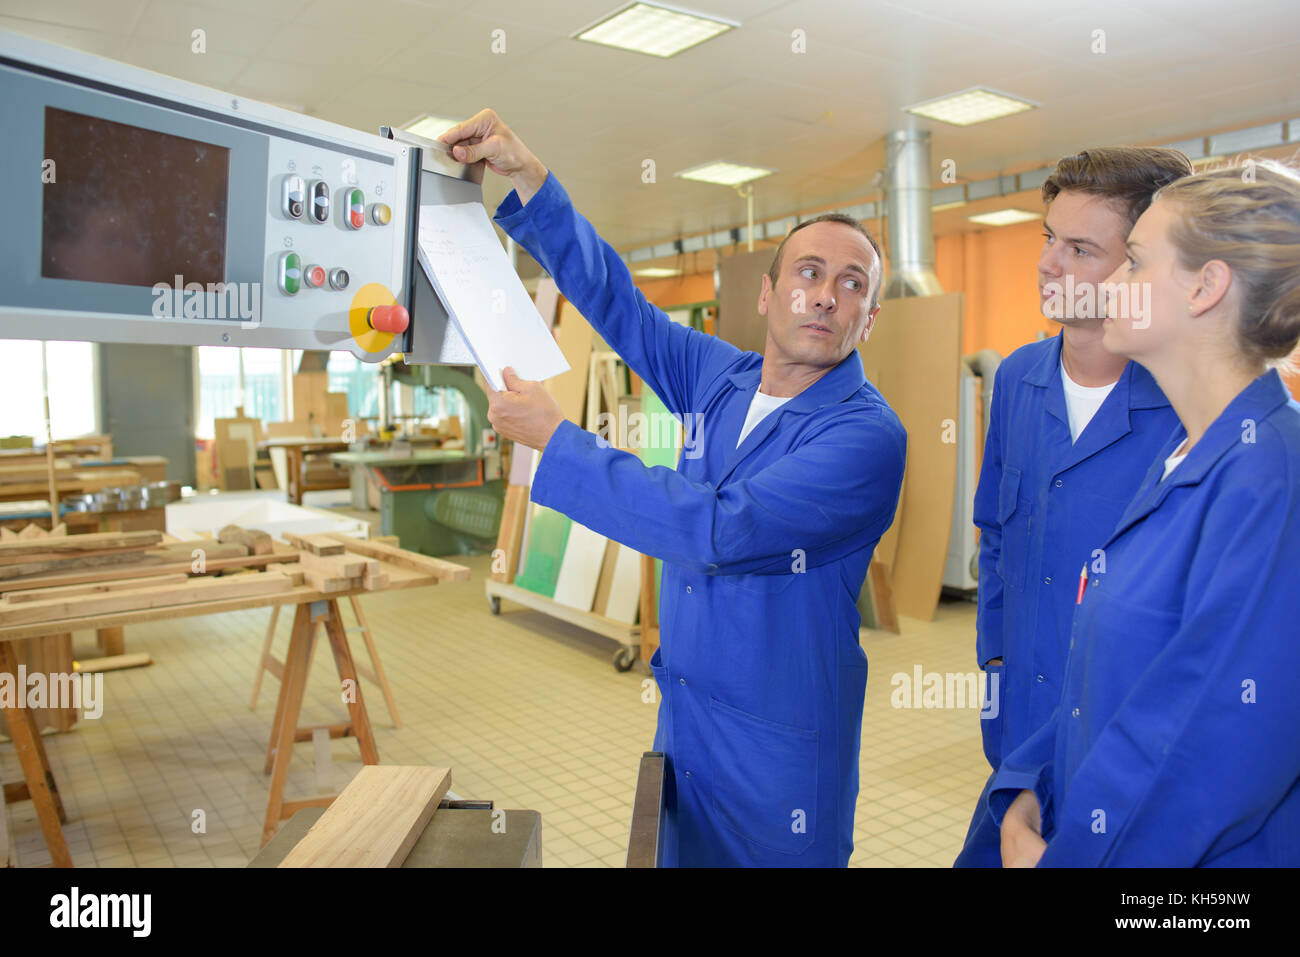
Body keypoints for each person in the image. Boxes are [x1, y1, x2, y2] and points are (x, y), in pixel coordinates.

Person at [440, 110, 906, 866]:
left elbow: (720, 530)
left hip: (779, 752)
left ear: (870, 317)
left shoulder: (864, 436)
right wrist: (530, 178)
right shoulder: (717, 377)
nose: (825, 296)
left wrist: (560, 443)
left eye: (851, 285)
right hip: (686, 726)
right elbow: (620, 306)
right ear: (770, 293)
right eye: (809, 273)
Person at [994, 161, 1300, 866]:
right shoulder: (1189, 456)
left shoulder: (1268, 478)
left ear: (1206, 286)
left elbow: (1210, 749)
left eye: (1133, 261)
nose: (1109, 286)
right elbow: (1117, 686)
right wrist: (1032, 780)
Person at [955, 147, 1192, 867]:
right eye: (1048, 239)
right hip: (1019, 726)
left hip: (1125, 742)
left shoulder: (1186, 407)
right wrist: (994, 653)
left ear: (1144, 265)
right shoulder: (1021, 377)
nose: (1049, 265)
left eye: (1081, 248)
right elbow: (996, 531)